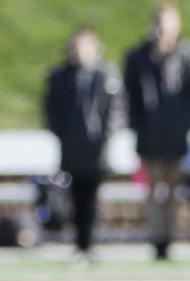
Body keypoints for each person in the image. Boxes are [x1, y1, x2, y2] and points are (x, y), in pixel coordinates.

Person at [123, 2, 190, 261]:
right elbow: (130, 97)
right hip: (148, 135)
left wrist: (184, 125)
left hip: (175, 136)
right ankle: (156, 238)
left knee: (172, 191)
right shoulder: (138, 57)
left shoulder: (186, 55)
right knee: (153, 191)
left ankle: (169, 237)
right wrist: (138, 124)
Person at [44, 25, 124, 266]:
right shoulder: (60, 77)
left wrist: (106, 135)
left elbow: (116, 109)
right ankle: (79, 244)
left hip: (97, 149)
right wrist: (63, 134)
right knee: (75, 198)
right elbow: (51, 111)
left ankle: (90, 244)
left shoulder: (105, 74)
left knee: (92, 199)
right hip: (72, 148)